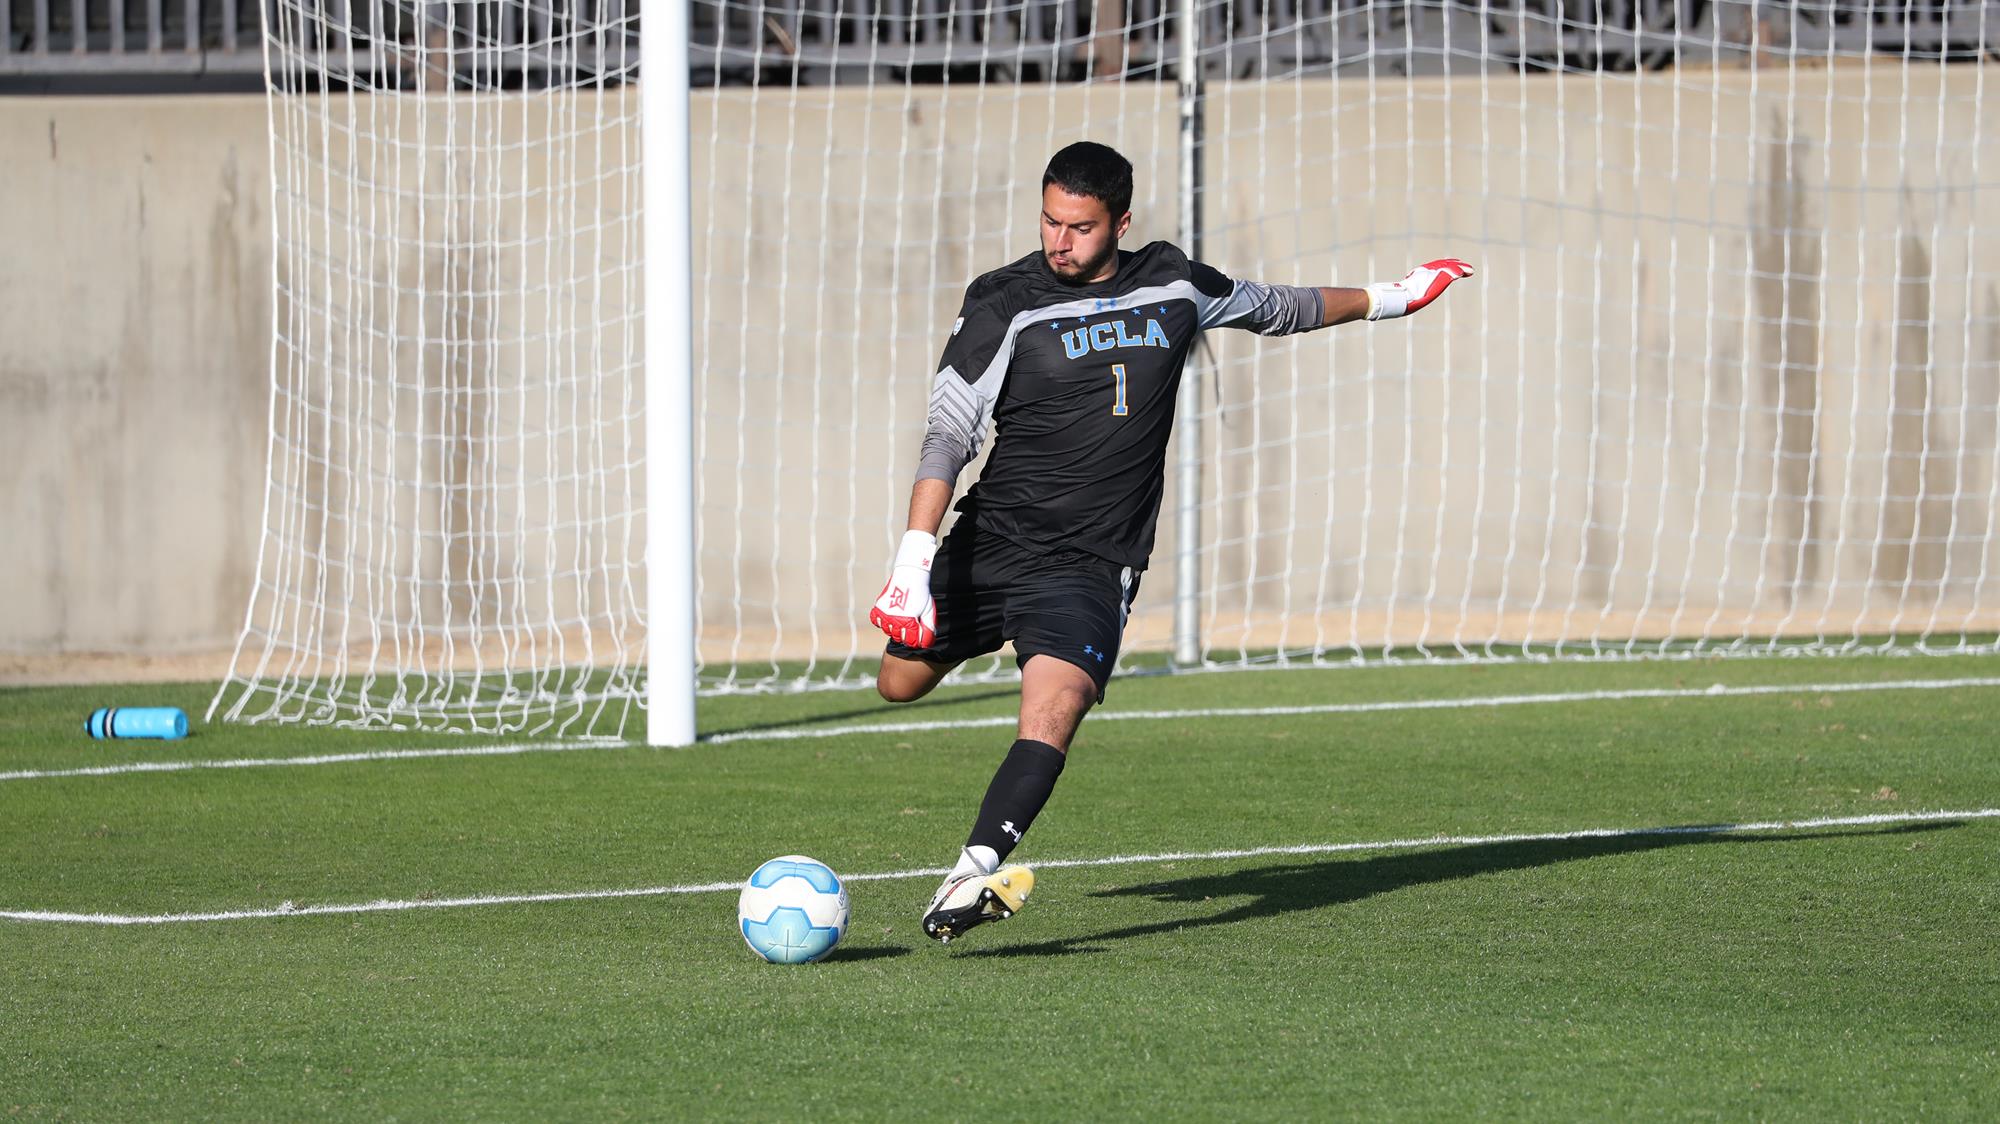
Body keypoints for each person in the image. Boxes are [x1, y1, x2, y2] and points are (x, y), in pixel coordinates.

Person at [868, 141, 1473, 943]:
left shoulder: (1174, 282)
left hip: (1092, 560)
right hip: (995, 538)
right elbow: (949, 432)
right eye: (1049, 222)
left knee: (1054, 707)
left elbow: (1279, 307)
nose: (1059, 242)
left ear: (1120, 223)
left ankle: (972, 869)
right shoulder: (1003, 300)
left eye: (1080, 227)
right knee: (898, 682)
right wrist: (913, 563)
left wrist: (1391, 297)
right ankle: (967, 644)